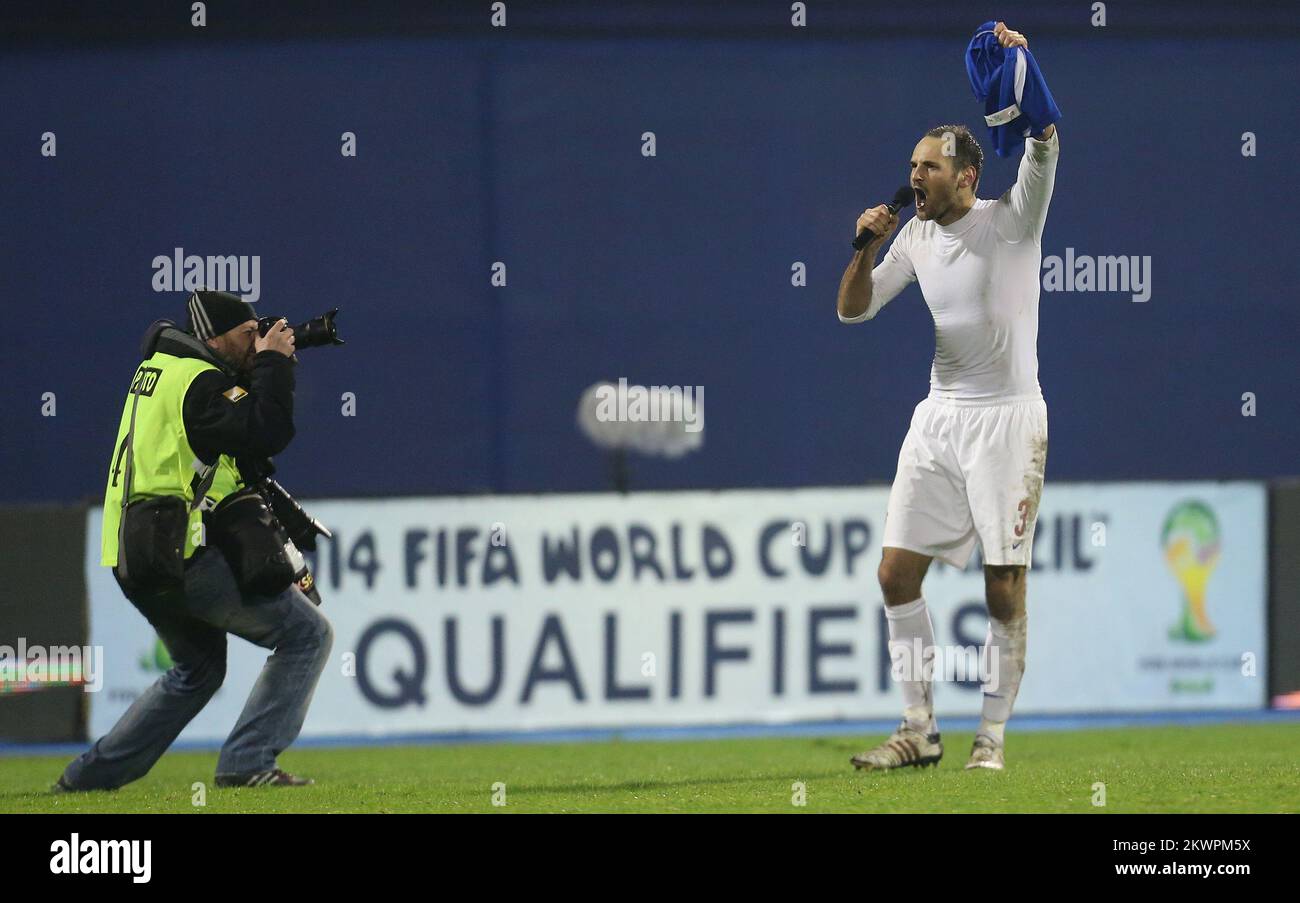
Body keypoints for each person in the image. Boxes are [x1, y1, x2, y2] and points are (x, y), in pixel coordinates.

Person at [836, 23, 1058, 772]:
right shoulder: (915, 238)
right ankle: (918, 728)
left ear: (966, 176)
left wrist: (1024, 66)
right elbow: (853, 311)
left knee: (1003, 584)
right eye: (912, 165)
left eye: (929, 167)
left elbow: (1044, 142)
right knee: (897, 572)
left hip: (1008, 420)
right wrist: (865, 244)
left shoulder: (1013, 220)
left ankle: (989, 738)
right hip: (940, 414)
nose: (915, 176)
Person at [57, 289, 333, 791]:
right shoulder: (201, 383)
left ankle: (85, 780)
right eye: (247, 336)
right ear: (212, 337)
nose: (254, 343)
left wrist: (265, 361)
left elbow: (220, 450)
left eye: (259, 336)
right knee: (306, 634)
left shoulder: (163, 372)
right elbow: (265, 431)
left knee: (197, 669)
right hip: (179, 553)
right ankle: (247, 761)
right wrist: (274, 364)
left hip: (134, 555)